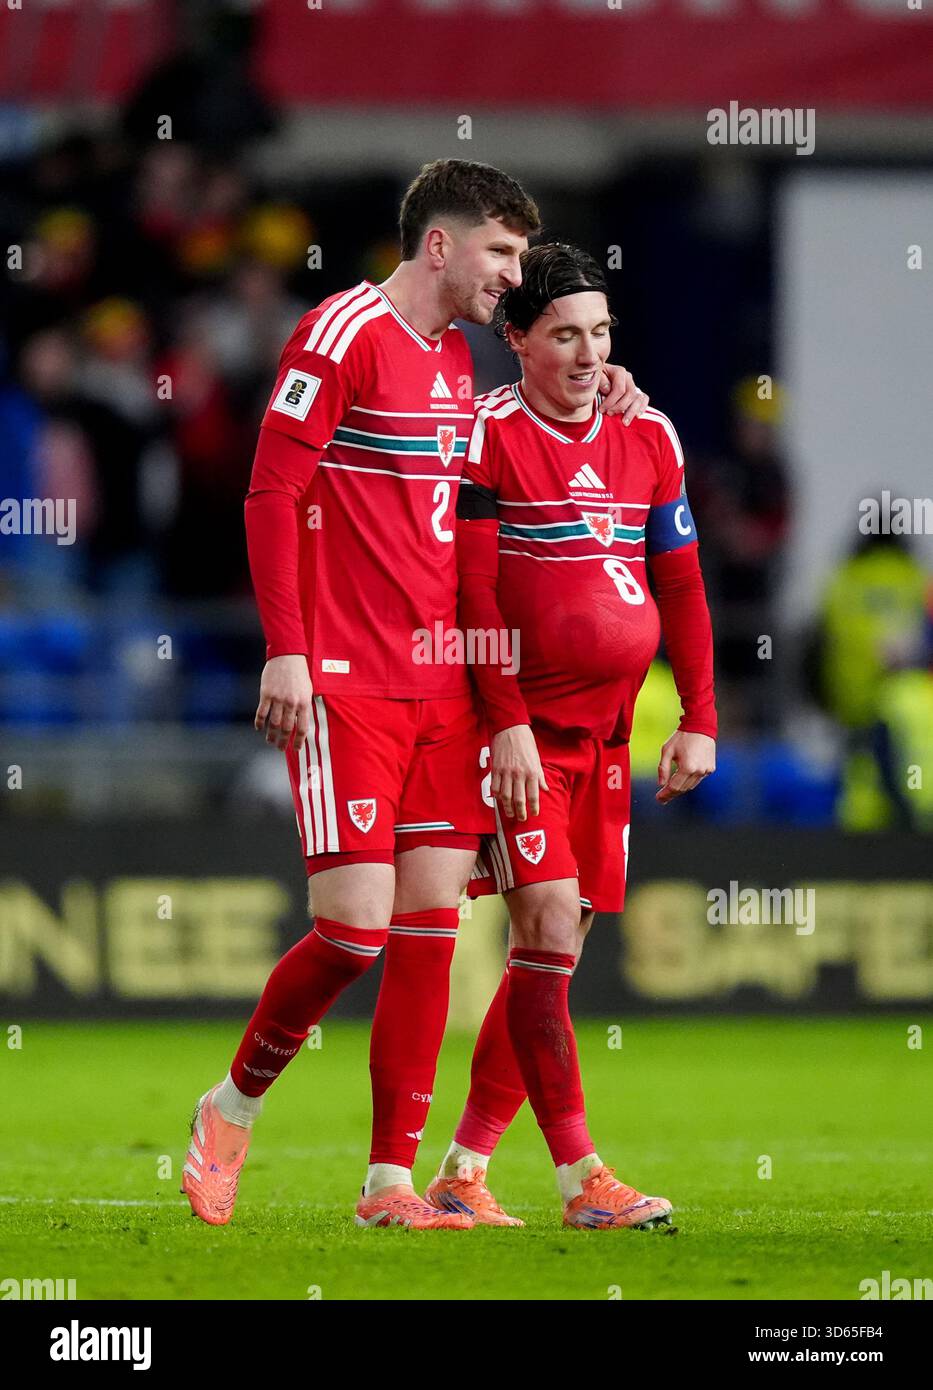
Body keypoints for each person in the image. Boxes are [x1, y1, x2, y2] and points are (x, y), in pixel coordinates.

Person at [180, 162, 648, 1230]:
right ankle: (230, 1103)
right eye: (500, 254)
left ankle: (390, 1184)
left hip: (445, 684)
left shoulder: (456, 358)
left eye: (521, 257)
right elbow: (270, 489)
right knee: (353, 932)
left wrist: (614, 392)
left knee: (430, 926)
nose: (513, 277)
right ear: (439, 246)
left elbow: (528, 421)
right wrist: (285, 651)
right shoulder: (340, 334)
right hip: (344, 678)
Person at [424, 243, 717, 1230]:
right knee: (544, 928)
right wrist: (502, 725)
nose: (589, 353)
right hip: (518, 733)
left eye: (600, 332)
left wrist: (697, 718)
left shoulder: (651, 434)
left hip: (605, 741)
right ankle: (582, 1178)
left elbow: (679, 582)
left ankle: (463, 1170)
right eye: (565, 334)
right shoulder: (488, 435)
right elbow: (470, 593)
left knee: (551, 957)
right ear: (517, 341)